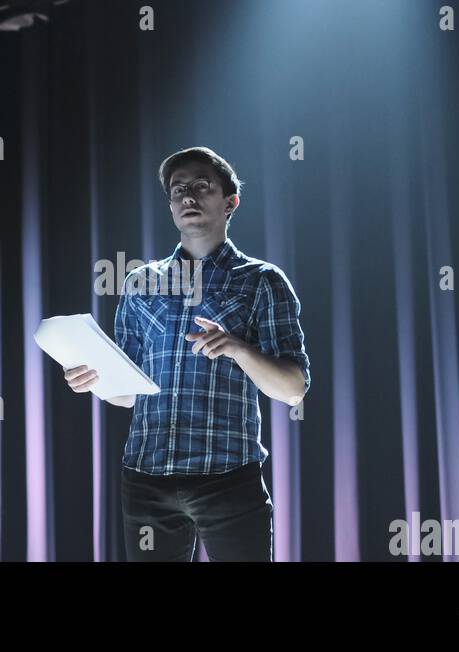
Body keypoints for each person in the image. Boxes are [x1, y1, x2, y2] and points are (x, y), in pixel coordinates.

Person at [63, 146, 310, 561]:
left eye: (202, 186)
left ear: (230, 202)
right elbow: (129, 392)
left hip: (229, 478)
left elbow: (293, 389)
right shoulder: (141, 282)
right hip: (146, 479)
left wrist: (236, 348)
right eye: (179, 190)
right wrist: (94, 380)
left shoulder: (263, 281)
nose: (188, 197)